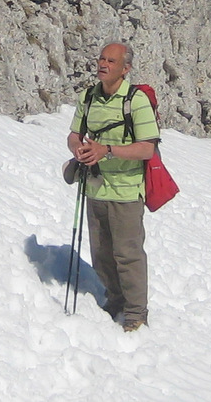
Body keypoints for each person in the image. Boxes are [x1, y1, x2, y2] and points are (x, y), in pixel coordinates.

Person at [67, 42, 160, 331]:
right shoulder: (89, 96)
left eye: (111, 61)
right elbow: (73, 134)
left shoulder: (136, 101)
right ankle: (116, 299)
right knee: (102, 253)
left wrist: (106, 150)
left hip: (126, 190)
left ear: (125, 68)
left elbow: (147, 148)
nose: (103, 65)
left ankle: (135, 313)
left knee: (128, 254)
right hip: (95, 187)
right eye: (101, 59)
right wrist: (78, 149)